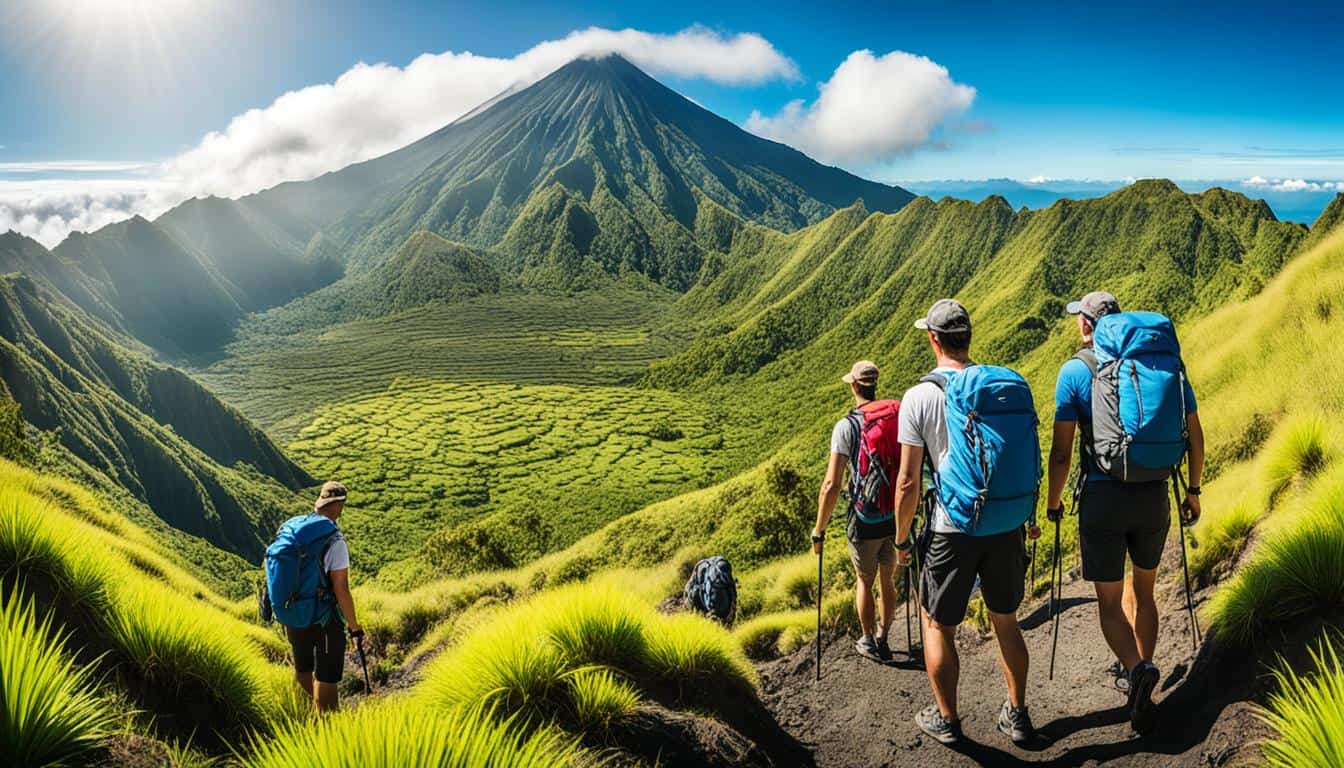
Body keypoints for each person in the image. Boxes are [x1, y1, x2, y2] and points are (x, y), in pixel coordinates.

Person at [1045, 291, 1204, 735]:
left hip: (1103, 497)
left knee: (1111, 603)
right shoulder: (1161, 364)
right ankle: (1143, 676)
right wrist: (1192, 491)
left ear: (1086, 325)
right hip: (1155, 494)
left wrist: (1054, 504)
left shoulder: (1075, 371)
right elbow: (1195, 433)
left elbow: (1061, 454)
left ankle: (1134, 669)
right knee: (1145, 593)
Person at [892, 299, 1040, 747]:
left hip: (951, 527)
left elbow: (907, 482)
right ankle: (1017, 714)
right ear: (968, 338)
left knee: (938, 625)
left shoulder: (919, 397)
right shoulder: (1000, 386)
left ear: (933, 339)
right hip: (1005, 521)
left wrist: (901, 540)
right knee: (1007, 621)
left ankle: (948, 719)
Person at [812, 360, 901, 662]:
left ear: (853, 385)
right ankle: (884, 636)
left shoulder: (847, 426)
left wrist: (819, 530)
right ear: (875, 384)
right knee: (887, 578)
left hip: (865, 519)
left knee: (864, 579)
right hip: (896, 513)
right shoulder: (894, 416)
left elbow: (831, 484)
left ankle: (867, 640)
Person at [286, 480, 363, 713]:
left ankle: (305, 717)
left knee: (303, 669)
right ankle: (328, 728)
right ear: (339, 506)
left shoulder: (295, 530)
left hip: (294, 612)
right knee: (327, 676)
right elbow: (341, 589)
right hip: (324, 618)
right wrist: (354, 628)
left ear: (319, 503)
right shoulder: (334, 541)